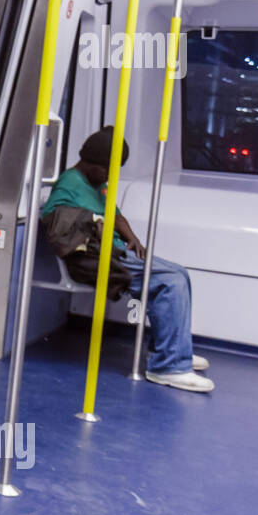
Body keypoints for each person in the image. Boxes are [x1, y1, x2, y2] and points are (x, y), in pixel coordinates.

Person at [41, 126, 214, 393]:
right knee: (169, 281)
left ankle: (171, 351)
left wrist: (132, 237)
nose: (110, 177)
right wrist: (94, 226)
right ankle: (168, 367)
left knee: (180, 273)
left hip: (118, 251)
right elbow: (57, 225)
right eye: (107, 170)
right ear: (90, 162)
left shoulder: (97, 183)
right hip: (96, 259)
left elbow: (115, 213)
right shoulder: (69, 185)